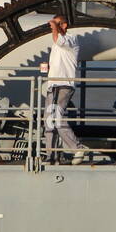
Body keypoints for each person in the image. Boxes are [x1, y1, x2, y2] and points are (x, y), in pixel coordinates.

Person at [45, 14, 90, 163]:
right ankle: (51, 156)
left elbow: (59, 39)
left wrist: (54, 28)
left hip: (64, 85)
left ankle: (77, 148)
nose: (53, 27)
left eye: (56, 24)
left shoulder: (71, 39)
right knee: (49, 121)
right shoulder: (57, 44)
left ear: (64, 25)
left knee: (56, 118)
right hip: (53, 85)